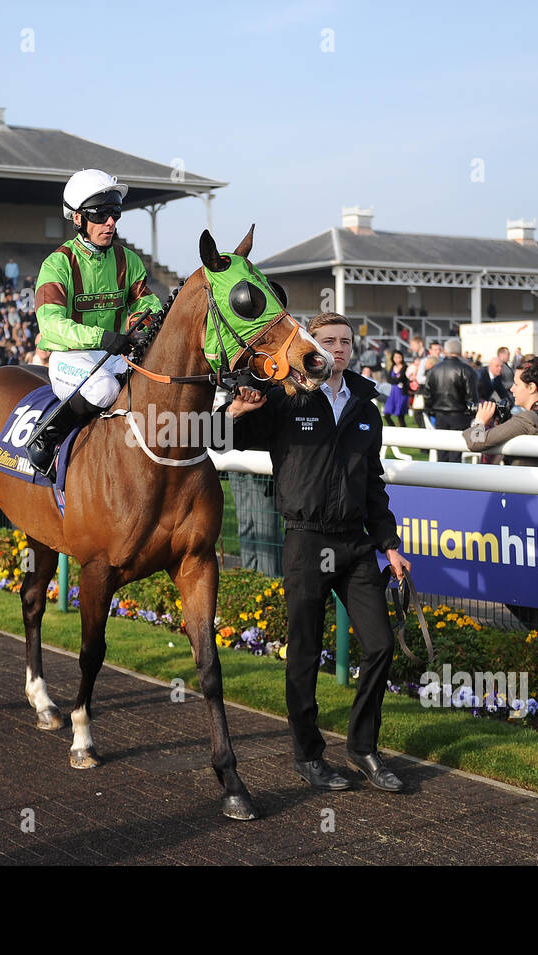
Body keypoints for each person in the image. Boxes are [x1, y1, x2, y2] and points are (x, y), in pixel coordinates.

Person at [224, 312, 411, 793]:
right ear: (311, 344)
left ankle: (363, 748)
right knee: (305, 652)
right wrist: (234, 413)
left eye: (345, 341)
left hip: (356, 542)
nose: (339, 348)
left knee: (382, 645)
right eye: (328, 340)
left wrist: (389, 545)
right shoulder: (287, 397)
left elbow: (373, 482)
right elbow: (222, 438)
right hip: (306, 539)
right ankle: (307, 755)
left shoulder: (366, 405)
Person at [26, 169, 161, 477]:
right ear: (78, 219)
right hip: (69, 358)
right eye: (100, 215)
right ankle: (48, 432)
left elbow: (147, 302)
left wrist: (143, 319)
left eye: (114, 213)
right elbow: (51, 326)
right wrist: (102, 337)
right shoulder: (57, 264)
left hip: (113, 354)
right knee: (103, 391)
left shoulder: (128, 260)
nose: (109, 223)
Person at [462, 355, 538, 635]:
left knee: (505, 579)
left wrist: (480, 419)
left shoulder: (528, 419)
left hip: (522, 511)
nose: (511, 389)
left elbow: (475, 440)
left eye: (516, 384)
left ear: (531, 387)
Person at [424, 337, 476, 462]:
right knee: (455, 452)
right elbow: (472, 398)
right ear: (459, 352)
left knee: (441, 451)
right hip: (459, 415)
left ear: (445, 351)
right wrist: (470, 415)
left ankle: (441, 478)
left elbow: (427, 394)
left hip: (439, 414)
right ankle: (453, 479)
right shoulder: (466, 370)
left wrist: (431, 411)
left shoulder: (434, 370)